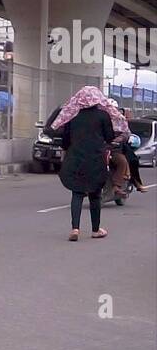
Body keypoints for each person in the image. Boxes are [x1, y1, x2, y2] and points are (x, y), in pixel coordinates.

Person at [45, 86, 123, 241]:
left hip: (76, 158)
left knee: (77, 193)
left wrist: (71, 149)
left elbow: (66, 139)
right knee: (95, 194)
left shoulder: (73, 116)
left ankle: (75, 229)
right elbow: (109, 137)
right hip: (95, 158)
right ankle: (95, 230)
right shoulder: (103, 115)